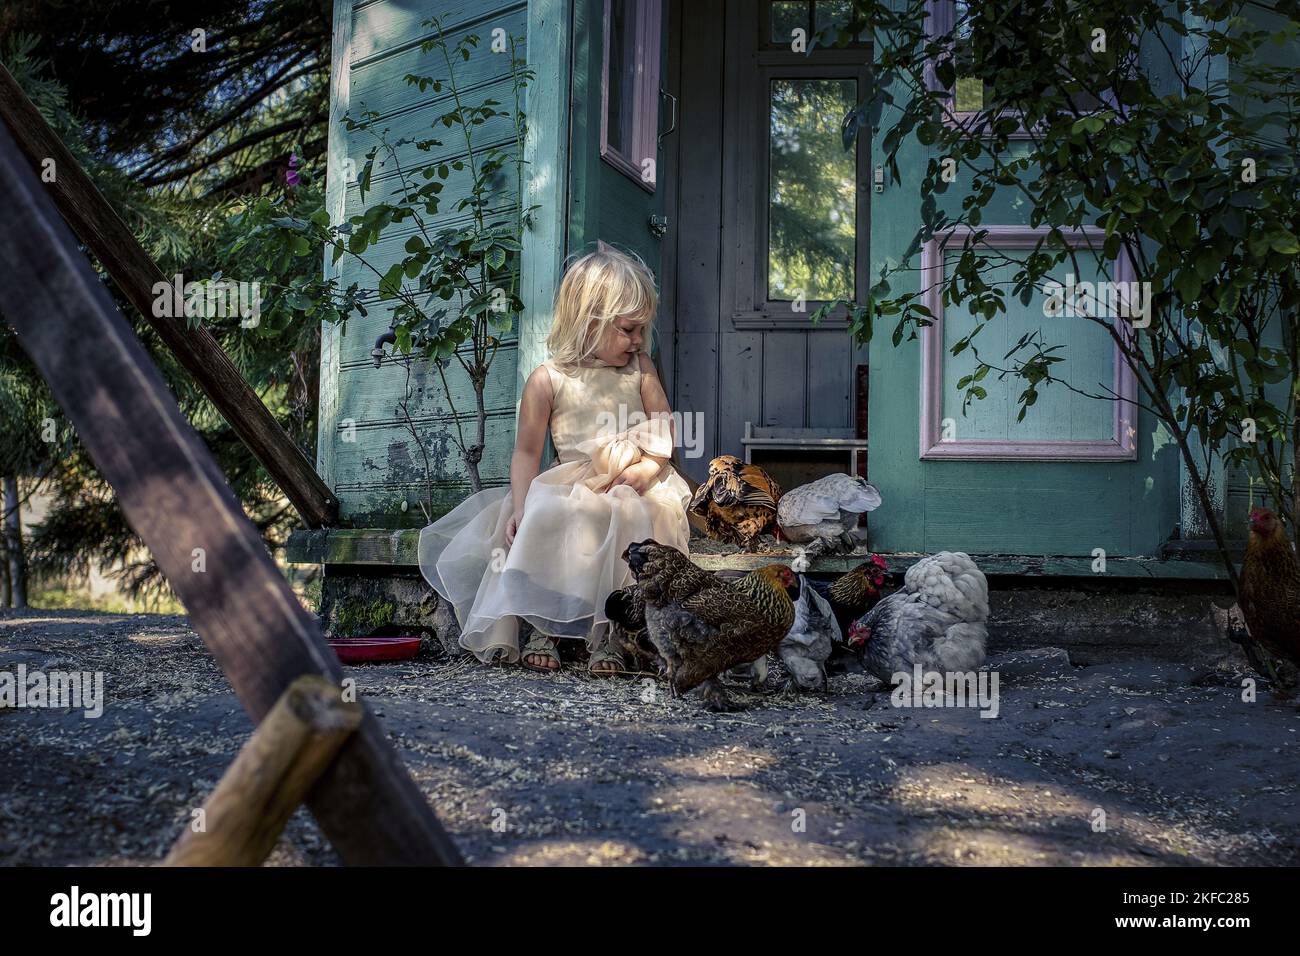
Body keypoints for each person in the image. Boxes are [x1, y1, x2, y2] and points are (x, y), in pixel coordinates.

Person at [417, 247, 691, 673]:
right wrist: (523, 508)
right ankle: (542, 621)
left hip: (635, 478)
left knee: (630, 514)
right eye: (629, 329)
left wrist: (642, 472)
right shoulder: (547, 379)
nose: (638, 339)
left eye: (642, 330)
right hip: (575, 480)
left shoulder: (641, 368)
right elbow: (527, 453)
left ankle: (611, 635)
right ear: (589, 320)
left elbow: (663, 435)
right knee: (548, 513)